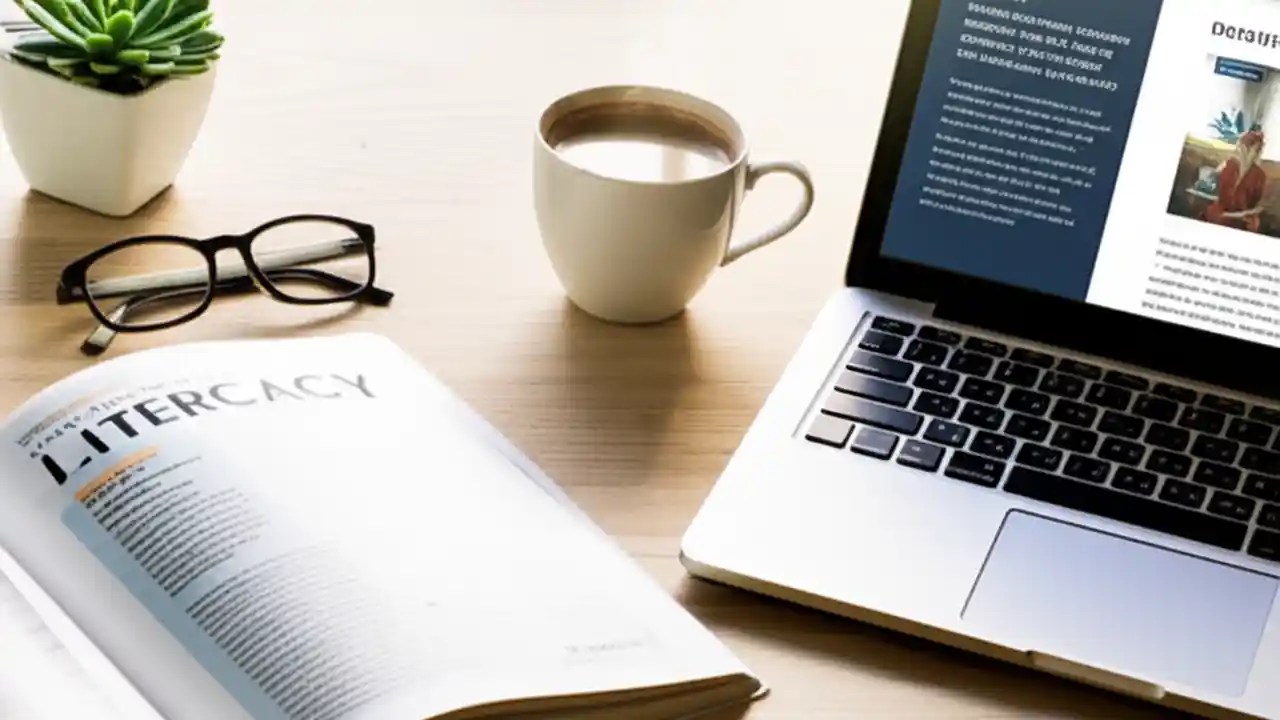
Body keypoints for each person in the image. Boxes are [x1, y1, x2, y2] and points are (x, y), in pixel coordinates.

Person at [1202, 130, 1269, 233]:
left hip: (1242, 216)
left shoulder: (1260, 175)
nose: (1240, 151)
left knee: (1252, 225)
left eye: (1257, 151)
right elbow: (1219, 192)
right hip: (1221, 212)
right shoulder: (1230, 165)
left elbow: (1256, 205)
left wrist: (1248, 215)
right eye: (1241, 148)